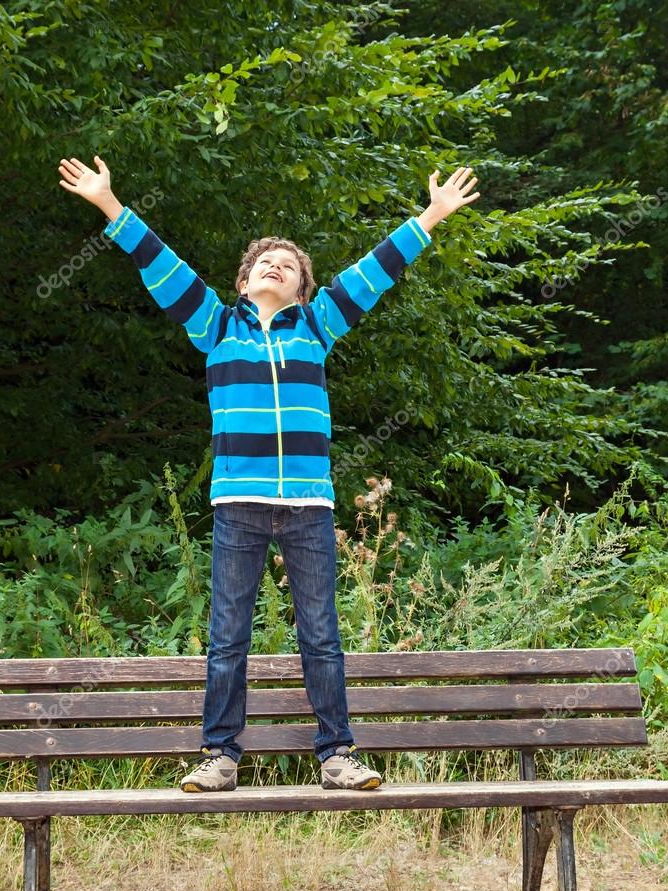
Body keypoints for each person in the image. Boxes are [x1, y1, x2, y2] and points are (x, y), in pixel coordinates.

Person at [58, 155, 481, 791]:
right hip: (239, 504)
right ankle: (220, 757)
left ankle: (337, 755)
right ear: (244, 281)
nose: (275, 266)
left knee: (322, 638)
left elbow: (373, 273)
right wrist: (109, 205)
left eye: (288, 265)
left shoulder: (317, 325)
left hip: (310, 506)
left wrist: (431, 217)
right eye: (265, 262)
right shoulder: (217, 327)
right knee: (227, 638)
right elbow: (162, 264)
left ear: (302, 290)